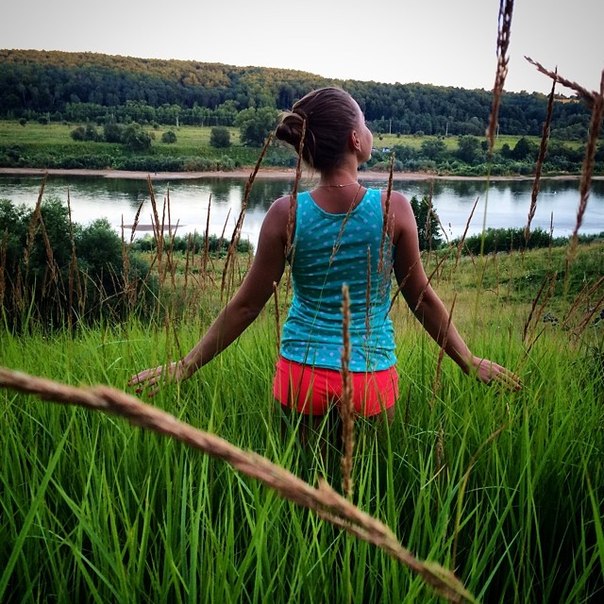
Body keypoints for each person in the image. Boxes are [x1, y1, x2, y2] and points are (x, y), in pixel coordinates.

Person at [129, 86, 521, 429]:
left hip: (301, 376)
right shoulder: (394, 208)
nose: (370, 132)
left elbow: (246, 306)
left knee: (300, 486)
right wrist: (469, 360)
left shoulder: (285, 213)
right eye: (365, 124)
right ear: (355, 139)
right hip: (370, 378)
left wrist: (184, 366)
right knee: (368, 486)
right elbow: (421, 299)